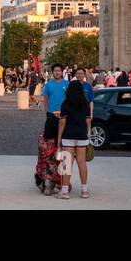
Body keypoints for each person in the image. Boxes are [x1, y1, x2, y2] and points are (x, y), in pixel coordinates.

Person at [56, 69, 92, 200]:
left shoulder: (65, 104)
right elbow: (88, 121)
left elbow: (62, 123)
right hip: (82, 135)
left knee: (67, 163)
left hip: (68, 135)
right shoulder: (85, 105)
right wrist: (88, 133)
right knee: (82, 163)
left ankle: (64, 191)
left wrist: (59, 138)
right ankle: (84, 190)